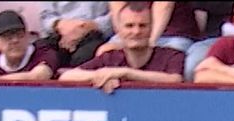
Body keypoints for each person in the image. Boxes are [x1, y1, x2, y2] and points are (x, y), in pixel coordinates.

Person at [58, 1, 186, 91]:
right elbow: (67, 77)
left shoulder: (172, 55)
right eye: (129, 26)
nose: (136, 31)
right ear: (119, 30)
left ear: (151, 28)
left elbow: (174, 80)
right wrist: (103, 76)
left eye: (142, 26)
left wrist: (125, 74)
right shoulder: (110, 58)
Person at [37, 1, 112, 69]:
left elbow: (115, 17)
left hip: (95, 32)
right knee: (39, 53)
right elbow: (46, 16)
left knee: (83, 58)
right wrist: (61, 25)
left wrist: (86, 26)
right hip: (60, 31)